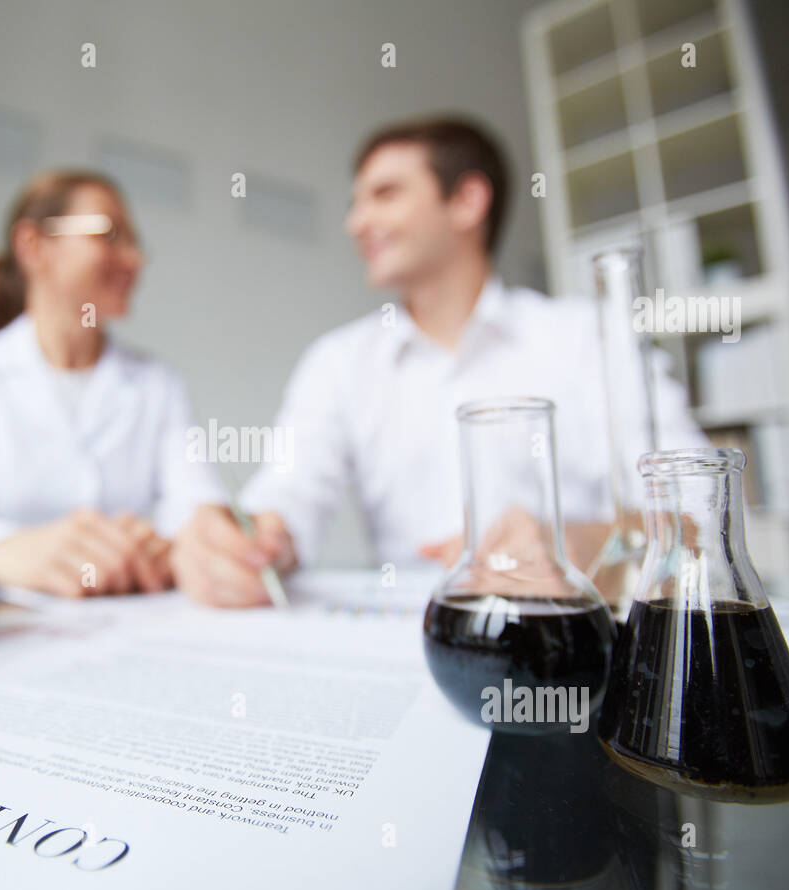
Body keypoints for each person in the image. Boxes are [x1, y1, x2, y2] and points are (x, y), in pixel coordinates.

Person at [170, 116, 706, 607]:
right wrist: (250, 544)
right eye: (355, 202)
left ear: (467, 201)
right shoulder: (339, 362)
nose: (356, 223)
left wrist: (587, 544)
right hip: (416, 641)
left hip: (576, 633)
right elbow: (288, 496)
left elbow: (701, 509)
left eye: (385, 194)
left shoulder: (588, 336)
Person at [0, 169, 220, 598]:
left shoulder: (157, 383)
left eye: (136, 243)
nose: (134, 259)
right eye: (109, 235)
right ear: (33, 246)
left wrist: (160, 541)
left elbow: (196, 505)